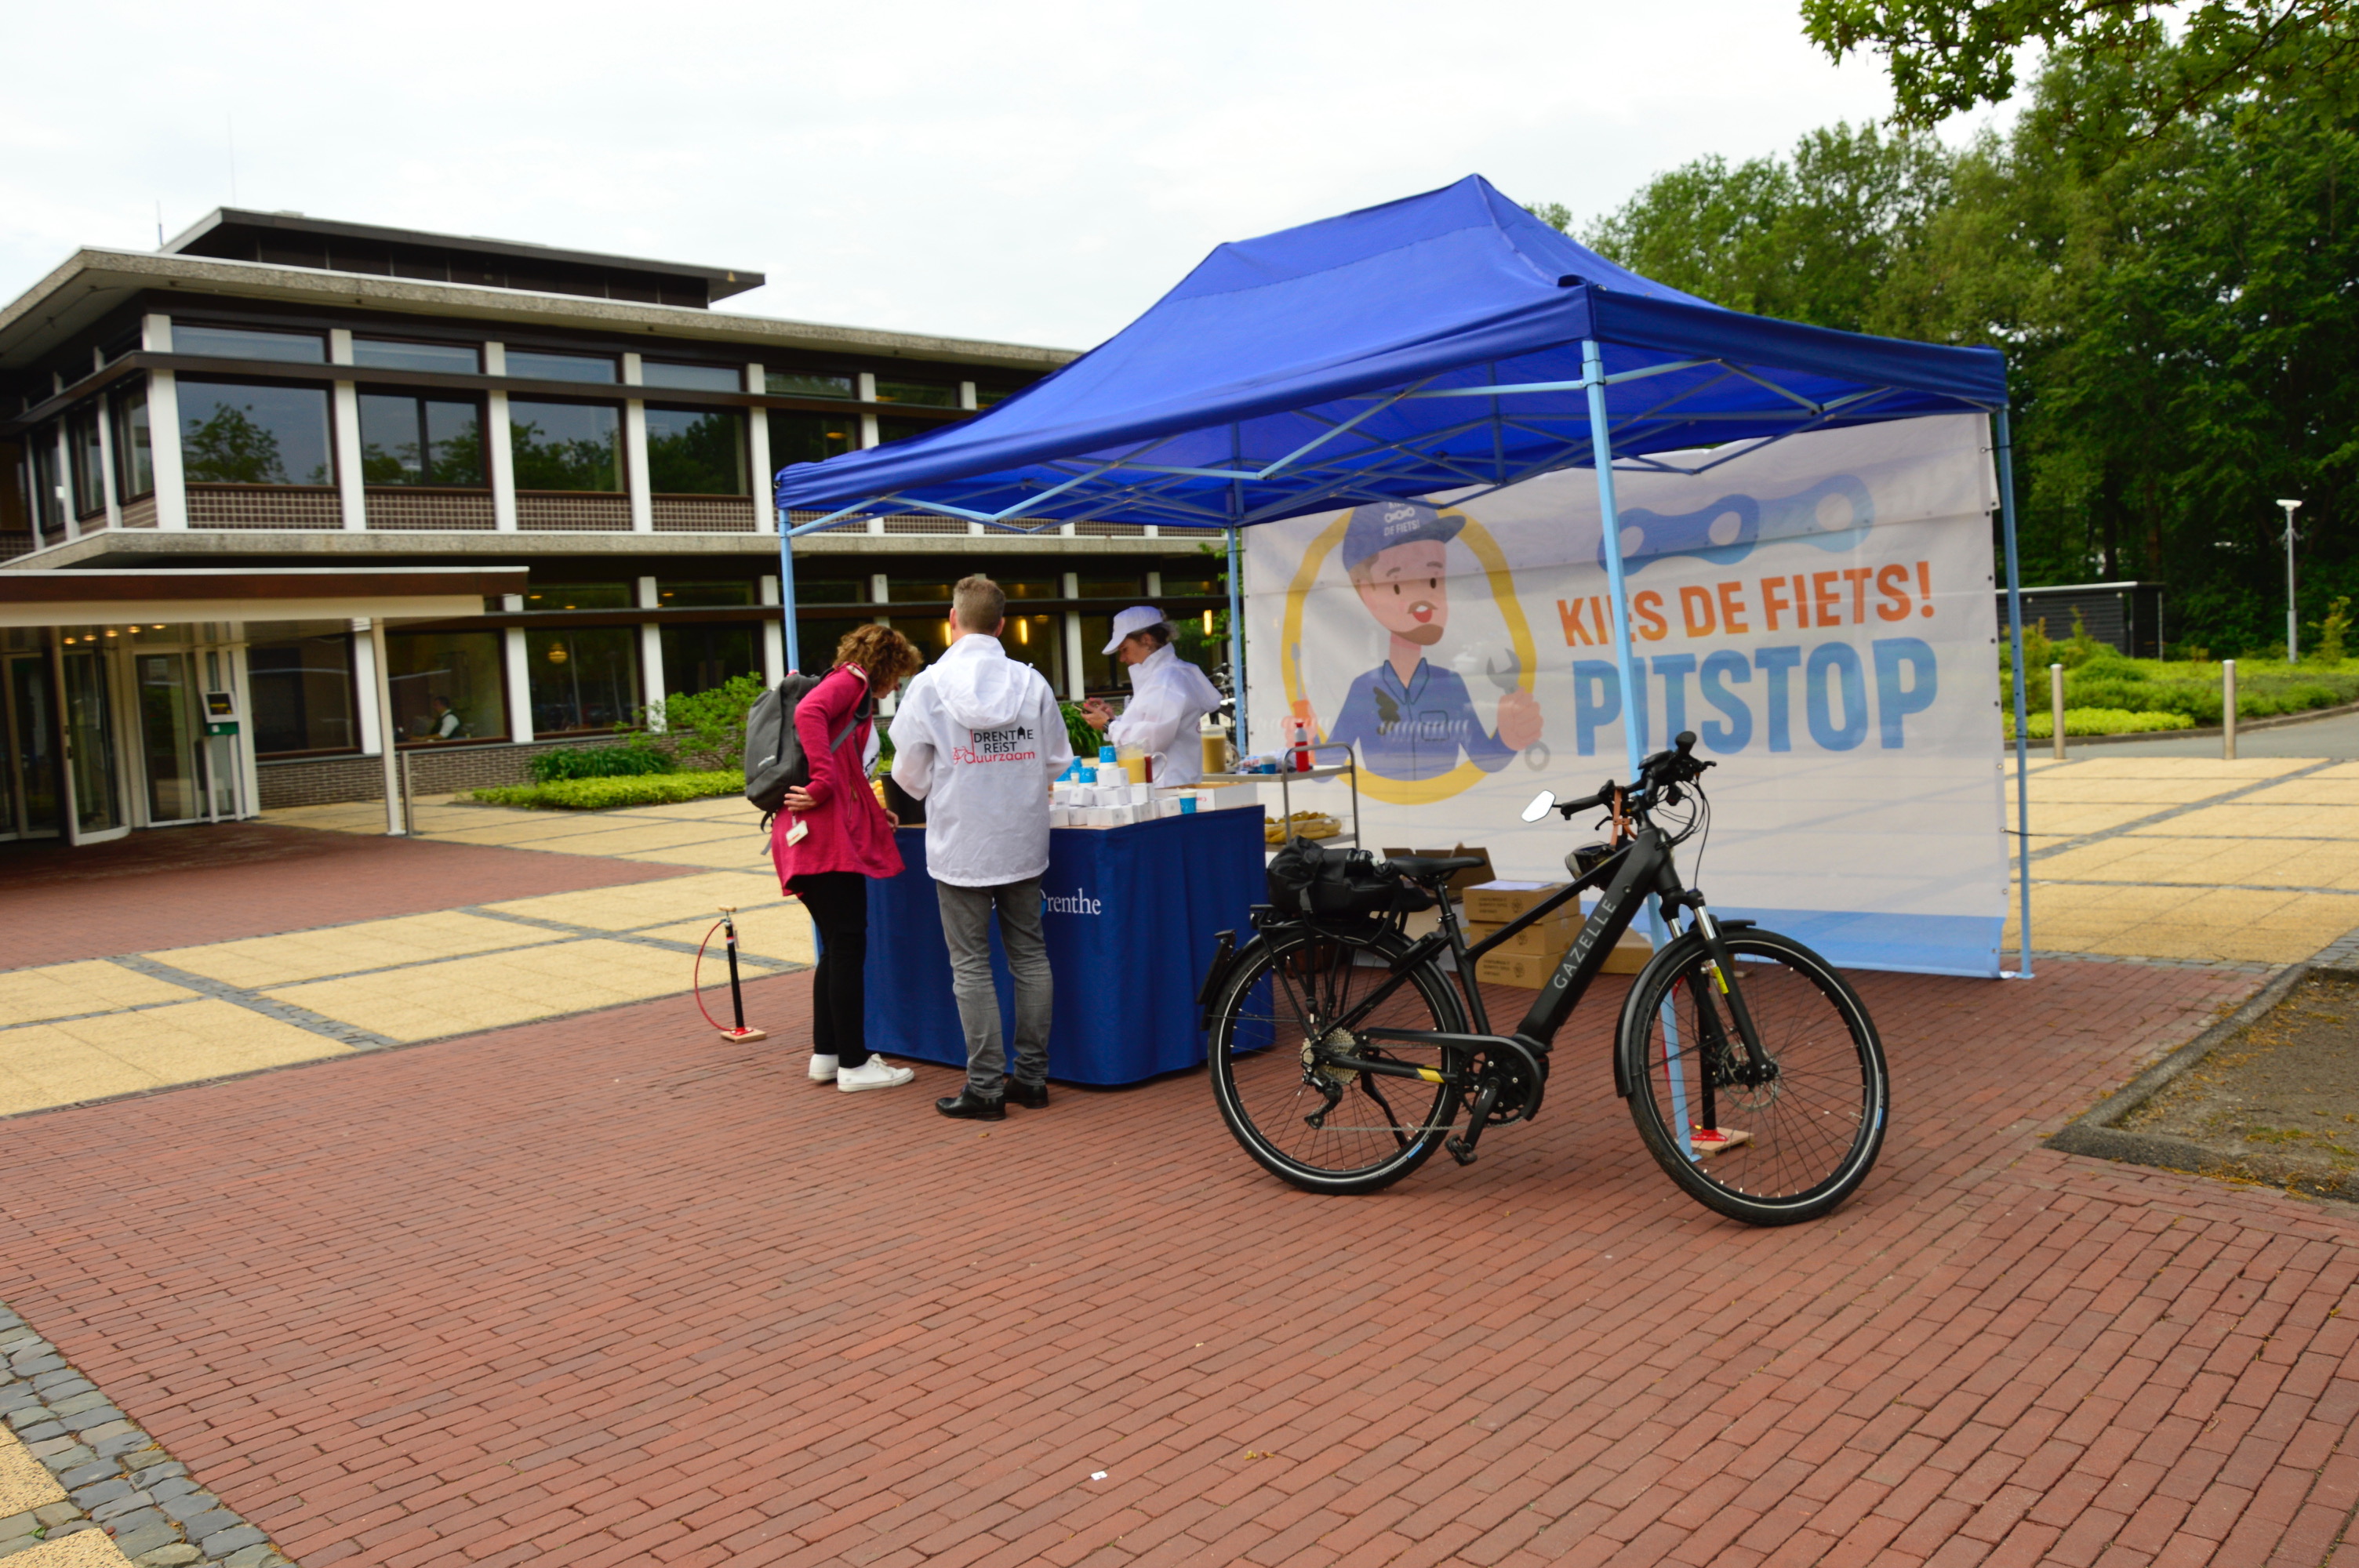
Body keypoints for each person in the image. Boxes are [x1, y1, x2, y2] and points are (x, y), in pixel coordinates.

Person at [889, 575, 1074, 1120]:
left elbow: (909, 774)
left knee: (971, 965)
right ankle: (1033, 1079)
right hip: (1020, 837)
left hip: (962, 842)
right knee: (1030, 955)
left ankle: (987, 1087)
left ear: (953, 620)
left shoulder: (929, 685)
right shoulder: (1031, 683)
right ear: (1000, 625)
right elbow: (1057, 761)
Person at [773, 623, 925, 1094]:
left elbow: (846, 770)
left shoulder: (847, 685)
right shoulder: (852, 682)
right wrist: (820, 782)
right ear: (886, 665)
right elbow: (810, 712)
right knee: (848, 945)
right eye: (898, 675)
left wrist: (876, 814)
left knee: (836, 947)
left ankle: (827, 1054)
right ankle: (855, 1064)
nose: (896, 686)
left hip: (808, 839)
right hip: (825, 843)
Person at [1321, 500, 1543, 780]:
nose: (1424, 599)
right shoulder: (1363, 689)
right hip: (1381, 815)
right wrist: (1300, 741)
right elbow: (1326, 770)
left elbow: (1485, 758)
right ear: (1365, 589)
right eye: (1399, 583)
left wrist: (1507, 738)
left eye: (1433, 580)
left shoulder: (1451, 684)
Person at [1079, 607, 1223, 785]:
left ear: (1147, 640)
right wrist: (1112, 720)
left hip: (1168, 786)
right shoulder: (1166, 676)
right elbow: (1152, 727)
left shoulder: (1167, 680)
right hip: (1170, 783)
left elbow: (1150, 742)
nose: (1122, 658)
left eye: (1124, 649)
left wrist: (1110, 725)